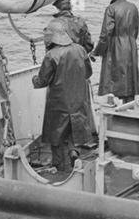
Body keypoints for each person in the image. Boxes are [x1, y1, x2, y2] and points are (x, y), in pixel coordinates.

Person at [32, 18, 96, 173]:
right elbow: (89, 72)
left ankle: (59, 166)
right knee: (74, 130)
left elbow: (41, 81)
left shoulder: (51, 55)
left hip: (59, 102)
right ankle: (74, 152)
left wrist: (34, 79)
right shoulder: (80, 50)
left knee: (57, 135)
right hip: (78, 100)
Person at [93, 0, 139, 103]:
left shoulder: (111, 8)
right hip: (130, 44)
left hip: (116, 45)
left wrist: (97, 51)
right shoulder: (133, 7)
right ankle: (128, 104)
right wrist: (131, 42)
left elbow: (106, 33)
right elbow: (136, 29)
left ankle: (114, 106)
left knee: (112, 78)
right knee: (129, 76)